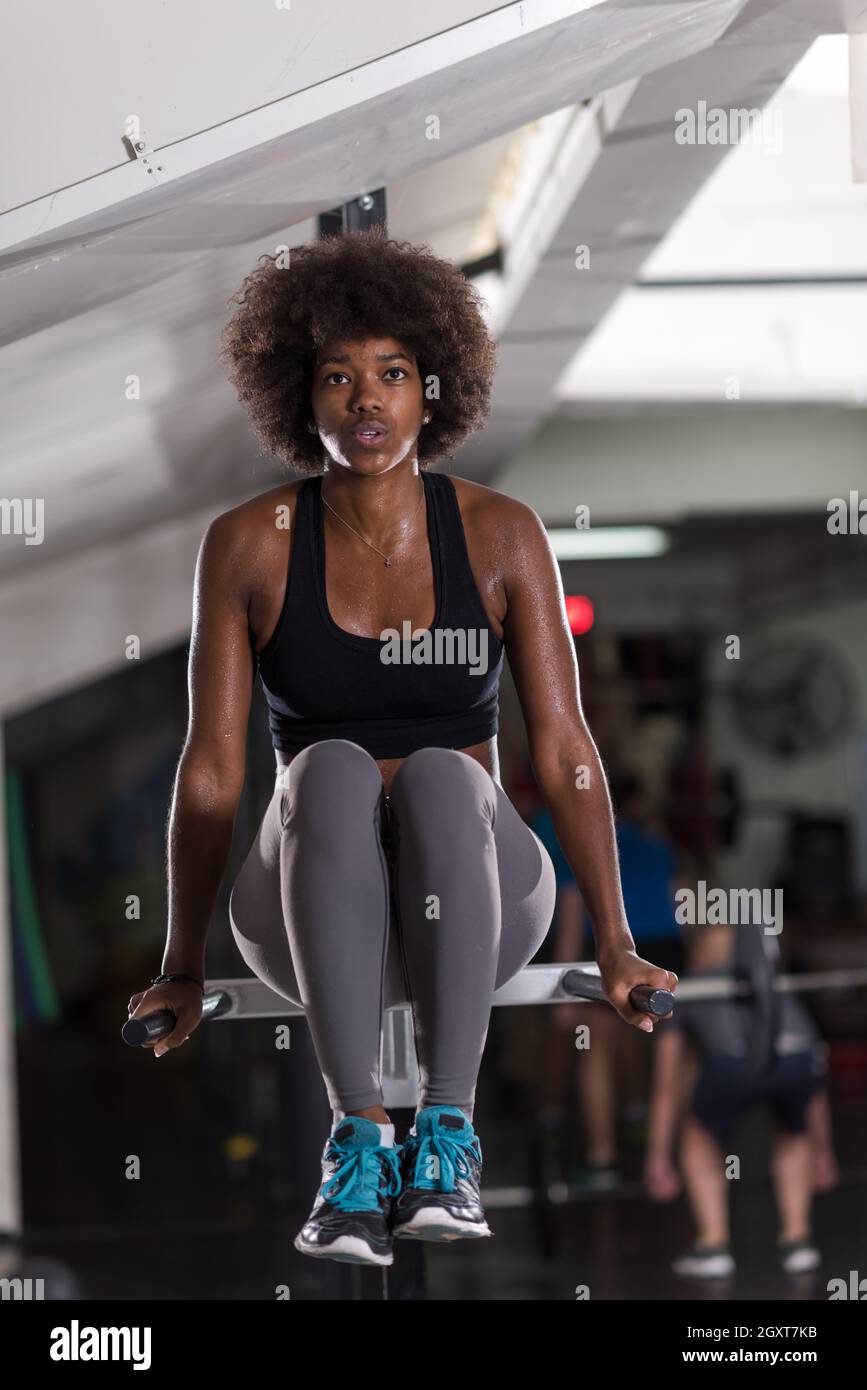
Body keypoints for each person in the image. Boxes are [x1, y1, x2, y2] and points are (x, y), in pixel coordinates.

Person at [127, 227, 675, 1268]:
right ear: (302, 394)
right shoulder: (247, 544)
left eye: (391, 374)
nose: (366, 399)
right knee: (323, 767)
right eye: (338, 377)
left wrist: (611, 937)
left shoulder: (502, 532)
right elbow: (211, 771)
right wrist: (180, 965)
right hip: (307, 910)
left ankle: (450, 1135)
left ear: (434, 389)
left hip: (473, 896)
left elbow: (564, 747)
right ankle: (358, 1143)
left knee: (441, 774)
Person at [645, 920, 833, 1278]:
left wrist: (658, 1158)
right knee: (793, 1133)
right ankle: (798, 1242)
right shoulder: (778, 985)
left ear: (698, 952)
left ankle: (713, 1245)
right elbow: (815, 1083)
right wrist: (823, 1152)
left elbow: (666, 1087)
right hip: (798, 1062)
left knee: (698, 1138)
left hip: (734, 1064)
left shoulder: (686, 988)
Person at [534, 774, 683, 1189]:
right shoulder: (658, 849)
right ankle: (637, 1115)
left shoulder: (579, 850)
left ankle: (602, 1157)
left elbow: (568, 911)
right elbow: (678, 903)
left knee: (596, 1047)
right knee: (639, 1033)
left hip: (607, 950)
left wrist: (561, 989)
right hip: (662, 951)